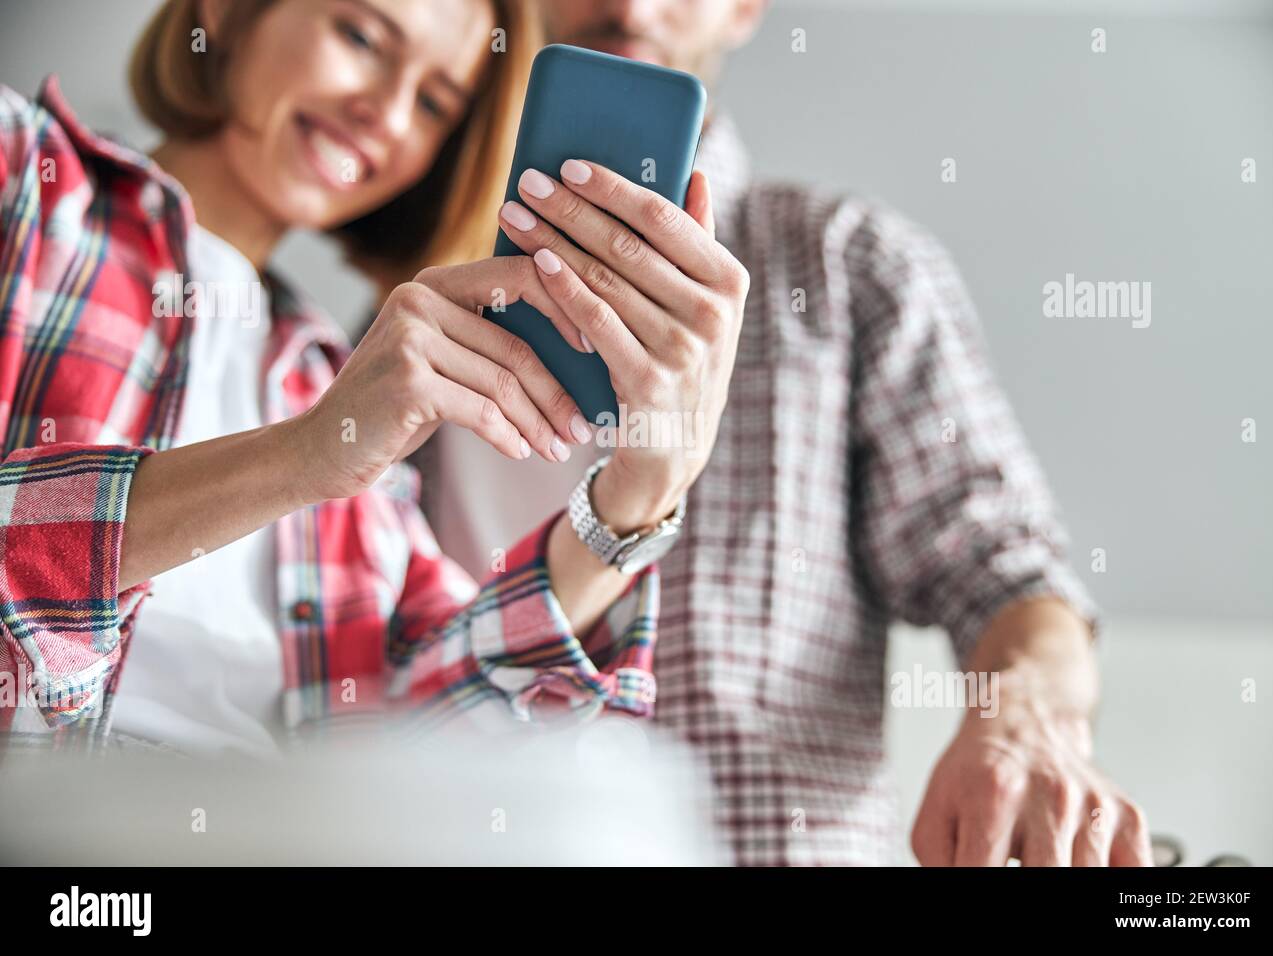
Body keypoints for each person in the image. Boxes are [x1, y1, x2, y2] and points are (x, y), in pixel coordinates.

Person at [410, 0, 1154, 866]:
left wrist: (1025, 719)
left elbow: (1007, 575)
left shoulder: (847, 266)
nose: (630, 5)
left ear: (745, 8)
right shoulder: (407, 330)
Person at [0, 0, 747, 757]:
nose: (386, 116)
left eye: (432, 104)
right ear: (224, 13)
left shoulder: (337, 373)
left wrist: (641, 496)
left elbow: (442, 724)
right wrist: (299, 458)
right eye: (361, 36)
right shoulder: (19, 174)